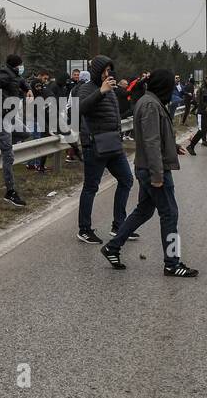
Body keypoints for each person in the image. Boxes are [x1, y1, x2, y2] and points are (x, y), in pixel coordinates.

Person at [100, 69, 197, 277]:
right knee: (170, 213)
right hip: (154, 169)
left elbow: (156, 137)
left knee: (144, 211)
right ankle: (172, 263)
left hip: (147, 167)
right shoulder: (151, 105)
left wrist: (174, 146)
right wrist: (158, 176)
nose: (172, 89)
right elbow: (151, 142)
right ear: (164, 86)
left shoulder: (149, 100)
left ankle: (113, 247)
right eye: (170, 85)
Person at [74, 55, 134, 244]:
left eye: (110, 70)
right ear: (97, 71)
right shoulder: (87, 88)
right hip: (95, 144)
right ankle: (84, 229)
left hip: (113, 143)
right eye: (105, 70)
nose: (108, 74)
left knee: (126, 180)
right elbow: (80, 109)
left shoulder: (110, 90)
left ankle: (119, 225)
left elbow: (114, 115)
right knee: (91, 187)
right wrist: (101, 91)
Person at [0, 53, 27, 207]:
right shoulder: (5, 74)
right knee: (8, 155)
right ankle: (10, 192)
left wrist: (28, 89)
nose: (22, 68)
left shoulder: (15, 75)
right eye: (20, 65)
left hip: (9, 116)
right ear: (16, 65)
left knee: (24, 133)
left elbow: (21, 81)